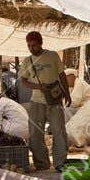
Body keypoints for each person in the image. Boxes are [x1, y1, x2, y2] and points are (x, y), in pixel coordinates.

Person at [20, 31, 70, 171]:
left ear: (41, 43)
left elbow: (62, 76)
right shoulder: (26, 61)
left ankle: (60, 163)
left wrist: (67, 94)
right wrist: (38, 87)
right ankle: (42, 164)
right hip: (36, 101)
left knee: (59, 131)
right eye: (29, 46)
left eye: (34, 45)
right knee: (35, 133)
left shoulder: (52, 56)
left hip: (55, 100)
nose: (31, 48)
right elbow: (24, 81)